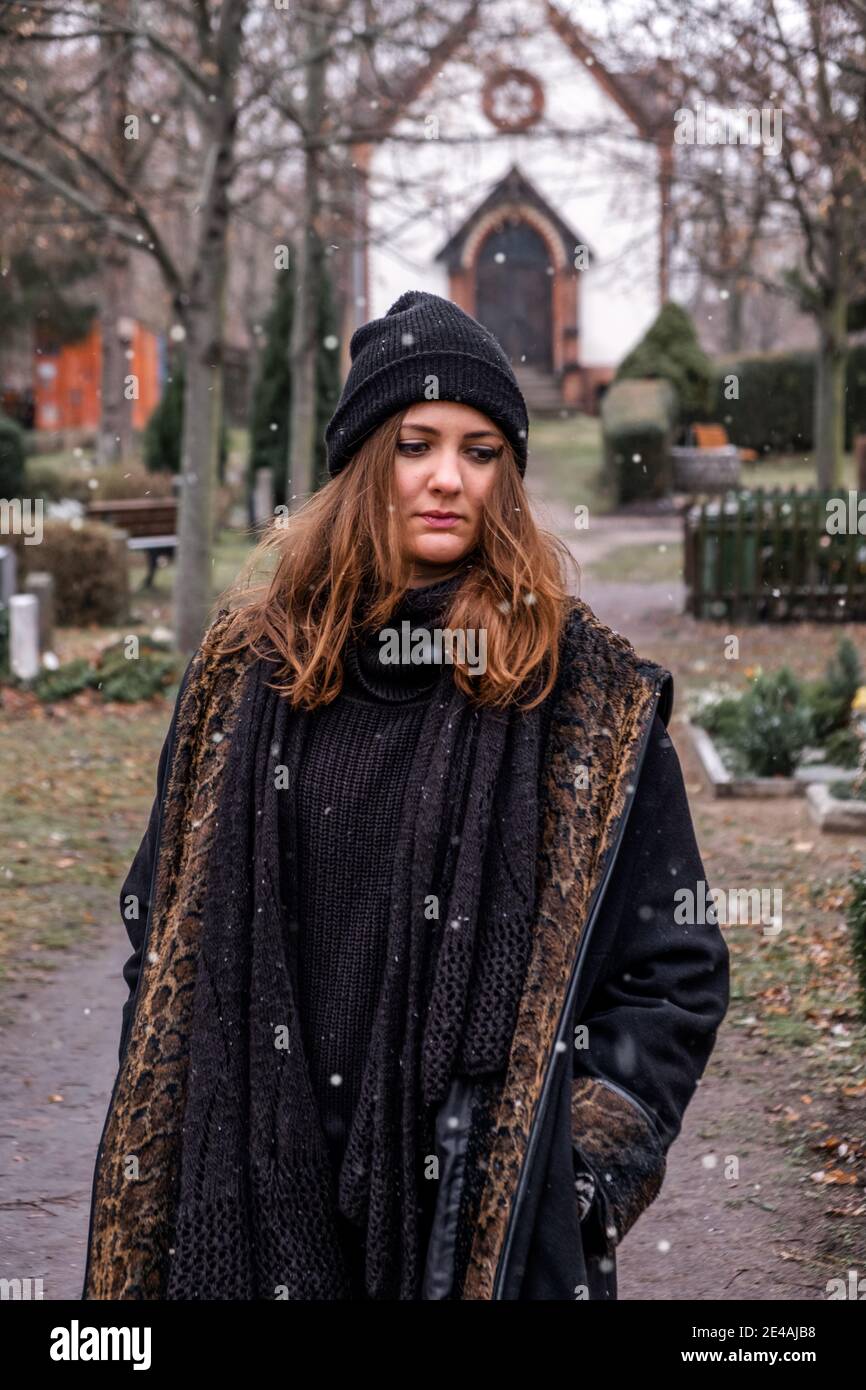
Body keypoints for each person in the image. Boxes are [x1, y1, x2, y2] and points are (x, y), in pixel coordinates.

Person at [81, 290, 729, 1302]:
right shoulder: (246, 673)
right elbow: (156, 933)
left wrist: (571, 1177)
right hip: (248, 1212)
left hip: (474, 1232)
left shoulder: (577, 699)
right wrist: (172, 1111)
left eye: (478, 451)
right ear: (361, 460)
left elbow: (673, 966)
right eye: (414, 442)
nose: (445, 478)